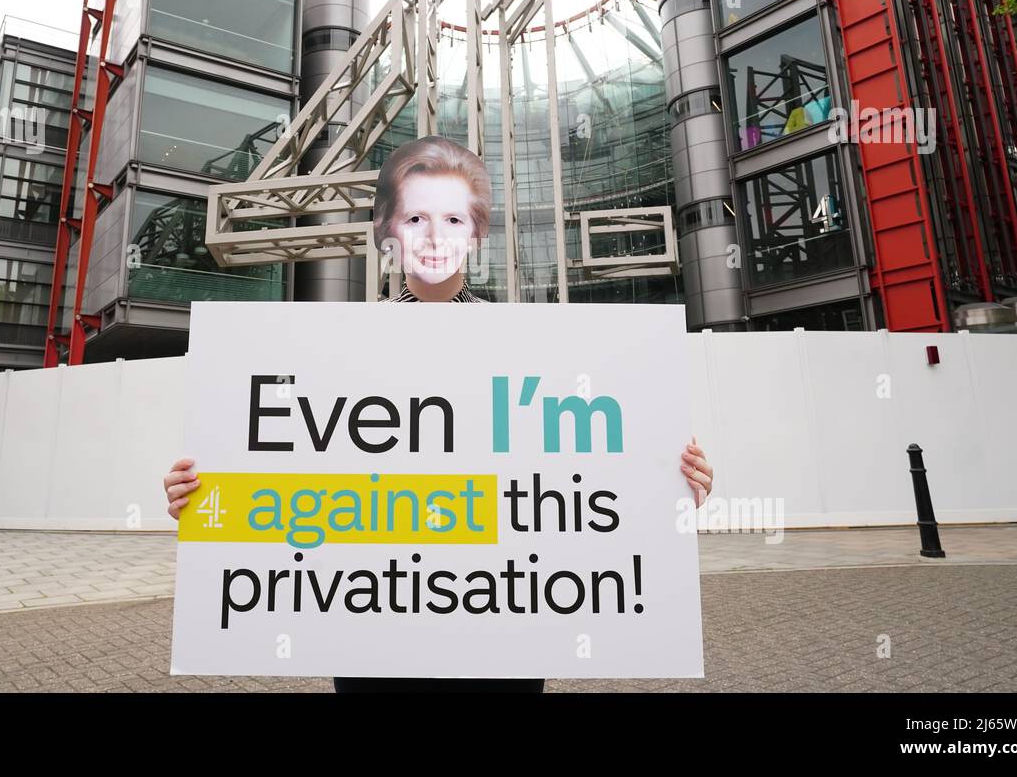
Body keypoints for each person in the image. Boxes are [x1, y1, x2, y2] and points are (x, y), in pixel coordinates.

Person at [163, 135, 714, 692]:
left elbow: (578, 486)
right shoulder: (333, 349)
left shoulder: (530, 346)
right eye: (415, 218)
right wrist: (201, 493)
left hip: (502, 631)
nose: (432, 239)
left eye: (453, 220)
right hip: (373, 626)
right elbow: (287, 480)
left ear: (477, 234)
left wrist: (667, 483)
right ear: (387, 231)